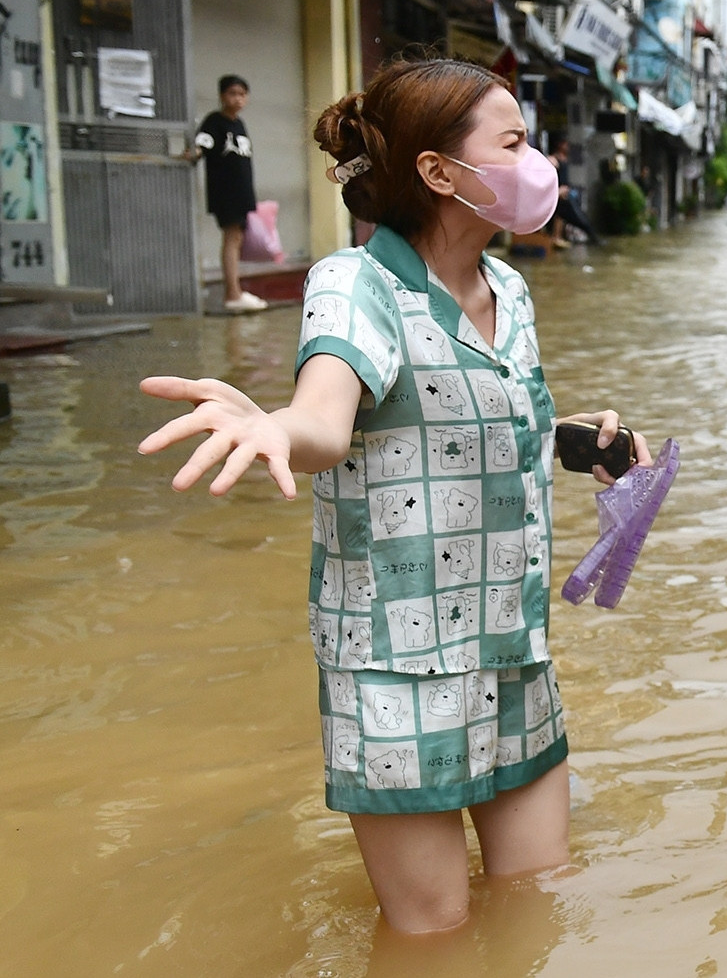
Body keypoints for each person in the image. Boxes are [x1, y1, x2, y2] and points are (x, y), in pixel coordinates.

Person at [136, 57, 646, 936]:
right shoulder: (354, 285)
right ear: (440, 172)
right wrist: (273, 428)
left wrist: (588, 448)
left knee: (536, 909)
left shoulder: (510, 290)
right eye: (516, 142)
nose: (538, 163)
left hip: (513, 650)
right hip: (398, 670)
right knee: (432, 939)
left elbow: (490, 419)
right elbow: (327, 420)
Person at [185, 74, 268, 313]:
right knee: (231, 240)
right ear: (222, 96)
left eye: (242, 94)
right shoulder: (215, 121)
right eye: (233, 93)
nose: (238, 99)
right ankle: (232, 294)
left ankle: (236, 291)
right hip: (226, 193)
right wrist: (195, 152)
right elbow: (204, 143)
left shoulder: (239, 124)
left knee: (237, 239)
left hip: (242, 193)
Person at [545, 136, 597, 246]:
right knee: (566, 215)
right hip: (557, 193)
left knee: (561, 216)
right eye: (565, 144)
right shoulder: (553, 159)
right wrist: (557, 191)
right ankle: (556, 237)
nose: (568, 146)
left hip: (565, 193)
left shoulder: (565, 159)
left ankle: (557, 237)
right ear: (560, 145)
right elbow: (546, 179)